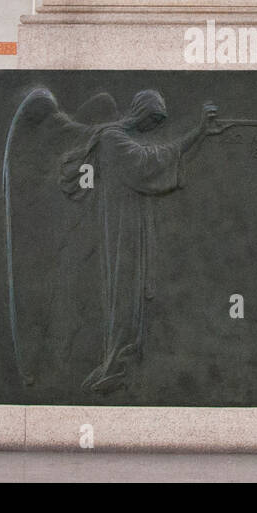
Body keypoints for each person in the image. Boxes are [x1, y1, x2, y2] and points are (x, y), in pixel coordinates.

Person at [56, 90, 217, 392]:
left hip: (131, 224)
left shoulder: (116, 138)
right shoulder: (112, 139)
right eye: (150, 120)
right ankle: (116, 364)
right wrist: (197, 134)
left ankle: (120, 362)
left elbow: (149, 159)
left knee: (129, 291)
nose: (149, 129)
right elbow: (147, 163)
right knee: (124, 291)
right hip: (122, 228)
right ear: (140, 111)